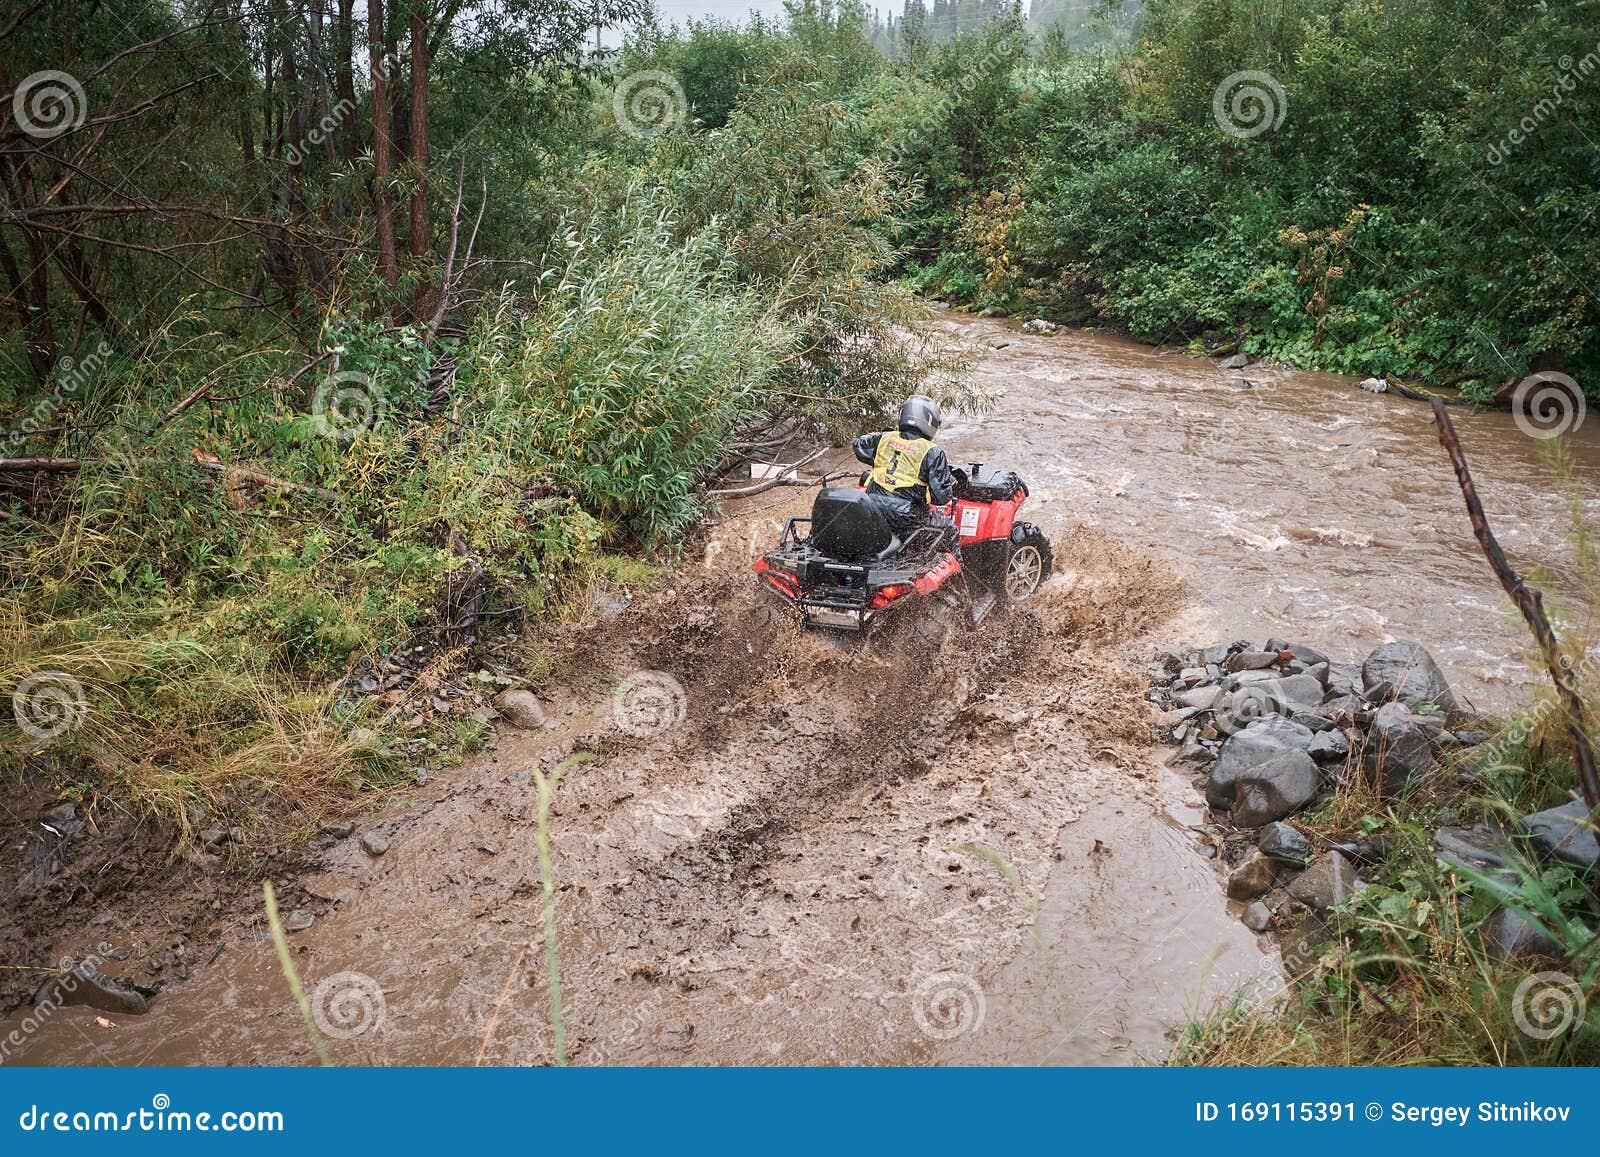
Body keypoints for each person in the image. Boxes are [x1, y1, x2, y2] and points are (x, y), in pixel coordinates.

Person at [851, 394, 956, 539]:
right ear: (930, 422)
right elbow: (942, 497)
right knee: (951, 530)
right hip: (907, 518)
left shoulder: (883, 438)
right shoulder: (932, 452)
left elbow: (858, 445)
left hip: (872, 509)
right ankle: (960, 562)